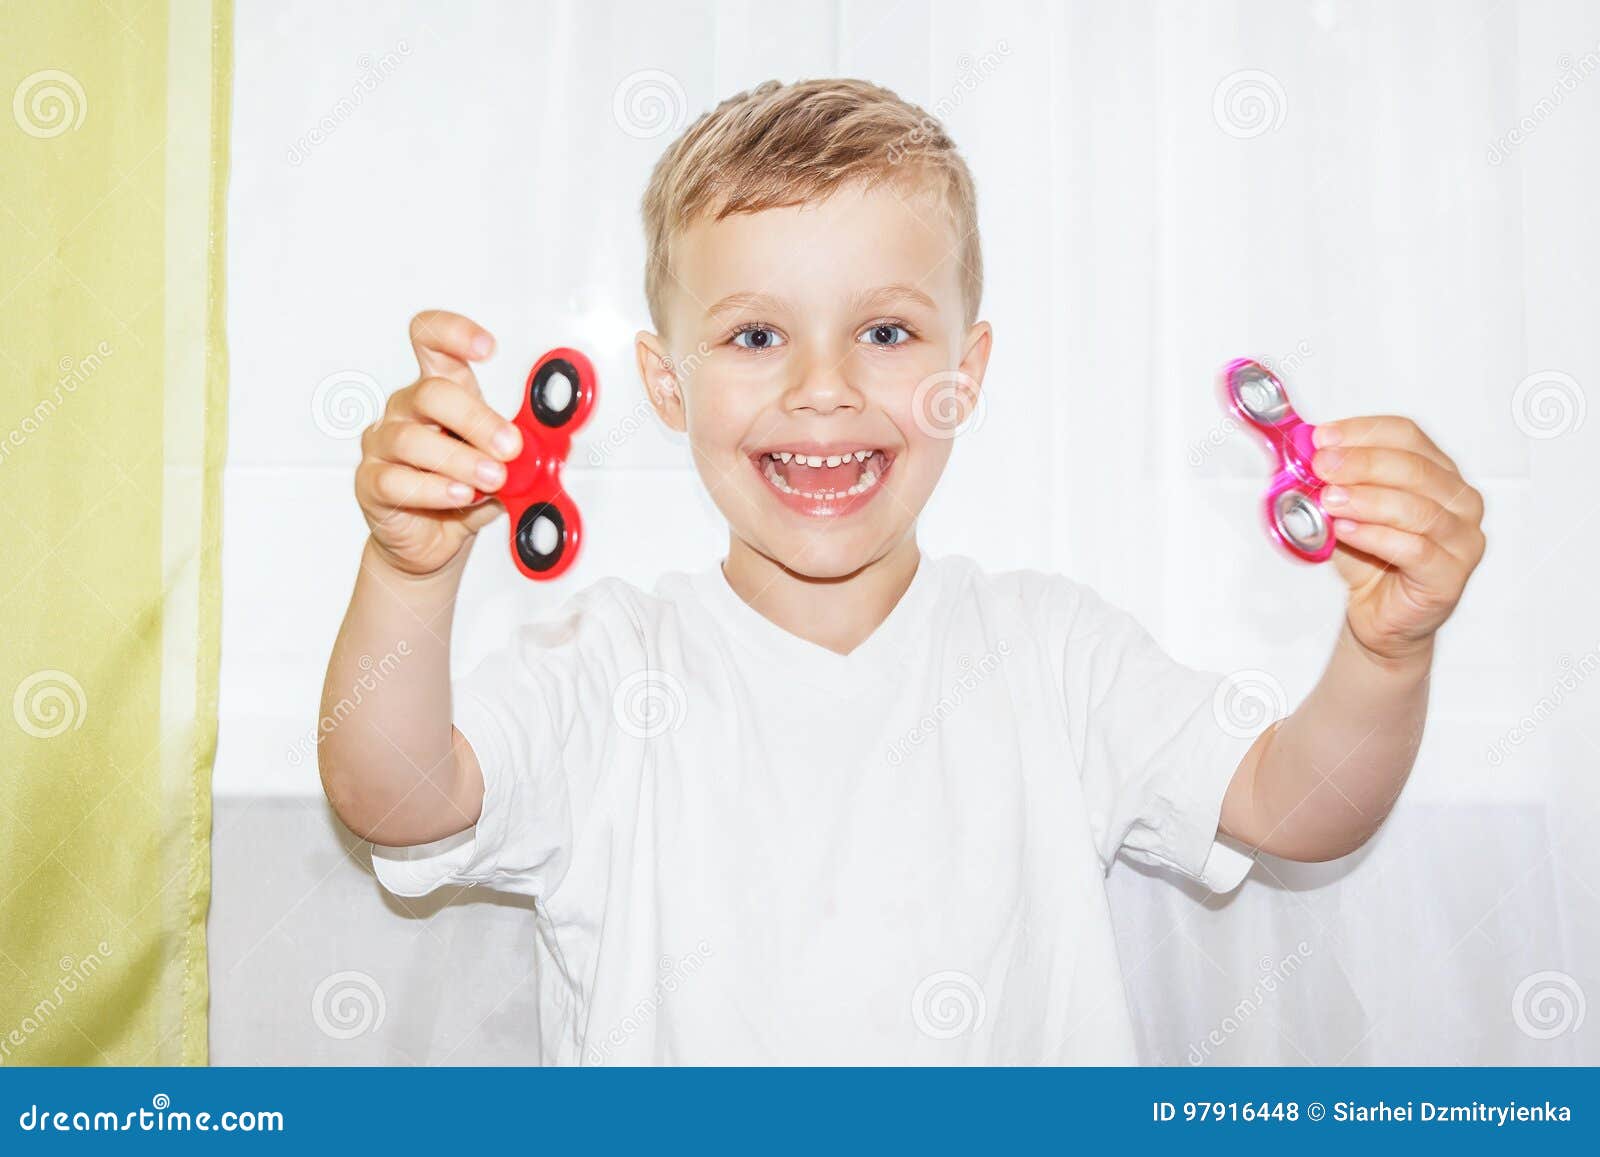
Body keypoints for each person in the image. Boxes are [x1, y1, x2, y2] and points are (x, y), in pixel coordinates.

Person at [317, 78, 1486, 1064]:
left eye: (883, 332)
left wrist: (1388, 651)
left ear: (964, 374)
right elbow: (397, 798)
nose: (822, 385)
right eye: (755, 335)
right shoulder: (606, 663)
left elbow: (1300, 808)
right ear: (666, 387)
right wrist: (407, 574)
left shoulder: (1052, 652)